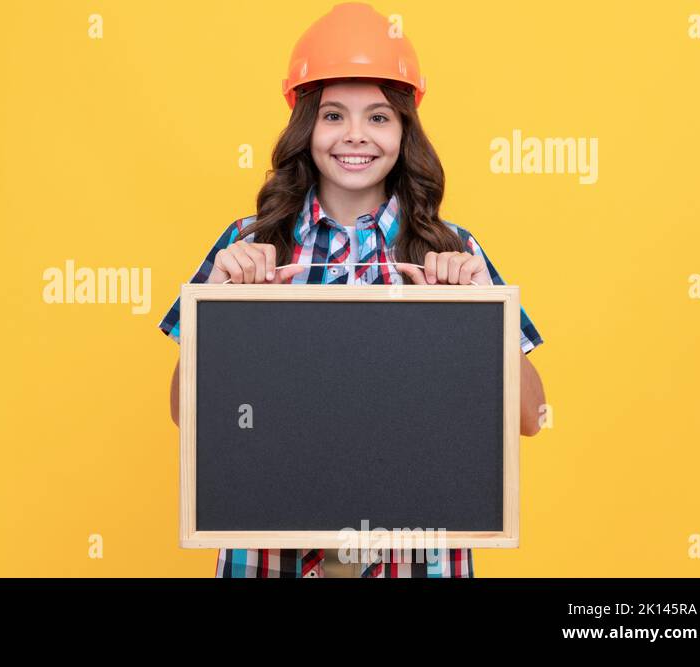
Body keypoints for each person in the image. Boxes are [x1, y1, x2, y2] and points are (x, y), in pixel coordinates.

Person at [158, 2, 547, 578]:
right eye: (334, 115)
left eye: (380, 117)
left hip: (417, 559)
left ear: (403, 131)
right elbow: (184, 414)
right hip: (271, 557)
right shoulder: (249, 245)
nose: (356, 136)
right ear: (306, 127)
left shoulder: (451, 249)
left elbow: (532, 416)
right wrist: (222, 308)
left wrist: (477, 315)